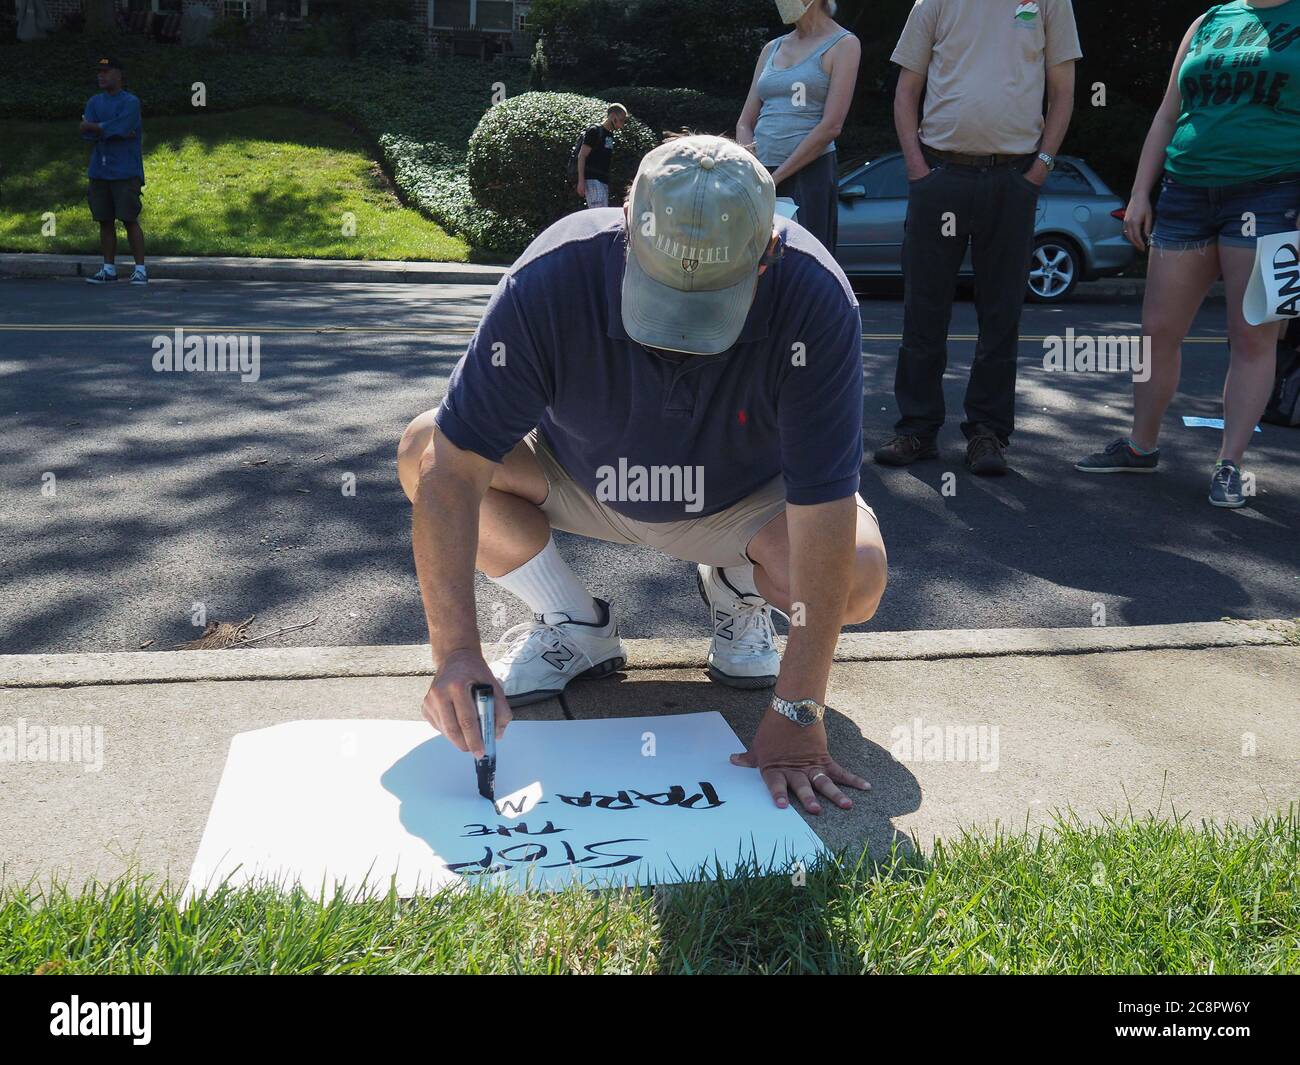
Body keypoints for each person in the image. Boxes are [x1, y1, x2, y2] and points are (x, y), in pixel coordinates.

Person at [399, 135, 888, 815]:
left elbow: (825, 506)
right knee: (426, 447)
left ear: (770, 249)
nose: (677, 335)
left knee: (859, 573)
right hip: (582, 475)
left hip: (740, 503)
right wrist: (454, 652)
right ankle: (573, 623)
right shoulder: (554, 275)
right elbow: (453, 476)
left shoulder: (817, 299)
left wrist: (801, 707)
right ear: (624, 224)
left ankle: (739, 590)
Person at [1075, 0, 1300, 508]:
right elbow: (1167, 113)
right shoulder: (1209, 20)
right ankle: (1140, 447)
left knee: (1252, 336)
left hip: (1275, 194)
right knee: (1156, 331)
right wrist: (1138, 194)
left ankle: (1230, 463)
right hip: (1186, 192)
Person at [874, 0, 1080, 475]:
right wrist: (917, 170)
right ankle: (917, 429)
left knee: (1001, 313)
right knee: (923, 309)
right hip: (940, 173)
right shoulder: (932, 3)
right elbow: (906, 92)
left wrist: (1039, 170)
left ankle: (987, 433)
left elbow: (1064, 92)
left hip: (1013, 178)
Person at [737, 0, 860, 252]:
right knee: (754, 259)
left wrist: (776, 178)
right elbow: (744, 122)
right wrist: (752, 168)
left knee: (803, 260)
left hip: (809, 174)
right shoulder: (772, 48)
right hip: (762, 173)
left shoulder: (844, 44)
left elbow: (832, 126)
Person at [80, 57, 147, 286]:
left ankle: (140, 270)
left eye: (106, 72)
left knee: (129, 219)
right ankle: (108, 268)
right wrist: (107, 129)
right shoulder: (94, 101)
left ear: (119, 74)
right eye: (99, 72)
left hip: (125, 170)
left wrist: (100, 127)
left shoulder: (131, 102)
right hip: (99, 170)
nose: (101, 76)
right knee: (104, 220)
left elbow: (125, 127)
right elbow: (86, 132)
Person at [575, 104, 627, 209]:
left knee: (602, 211)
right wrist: (581, 181)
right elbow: (582, 155)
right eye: (621, 120)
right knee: (598, 213)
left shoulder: (610, 135)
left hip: (603, 181)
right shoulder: (594, 131)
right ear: (613, 116)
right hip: (593, 180)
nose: (622, 125)